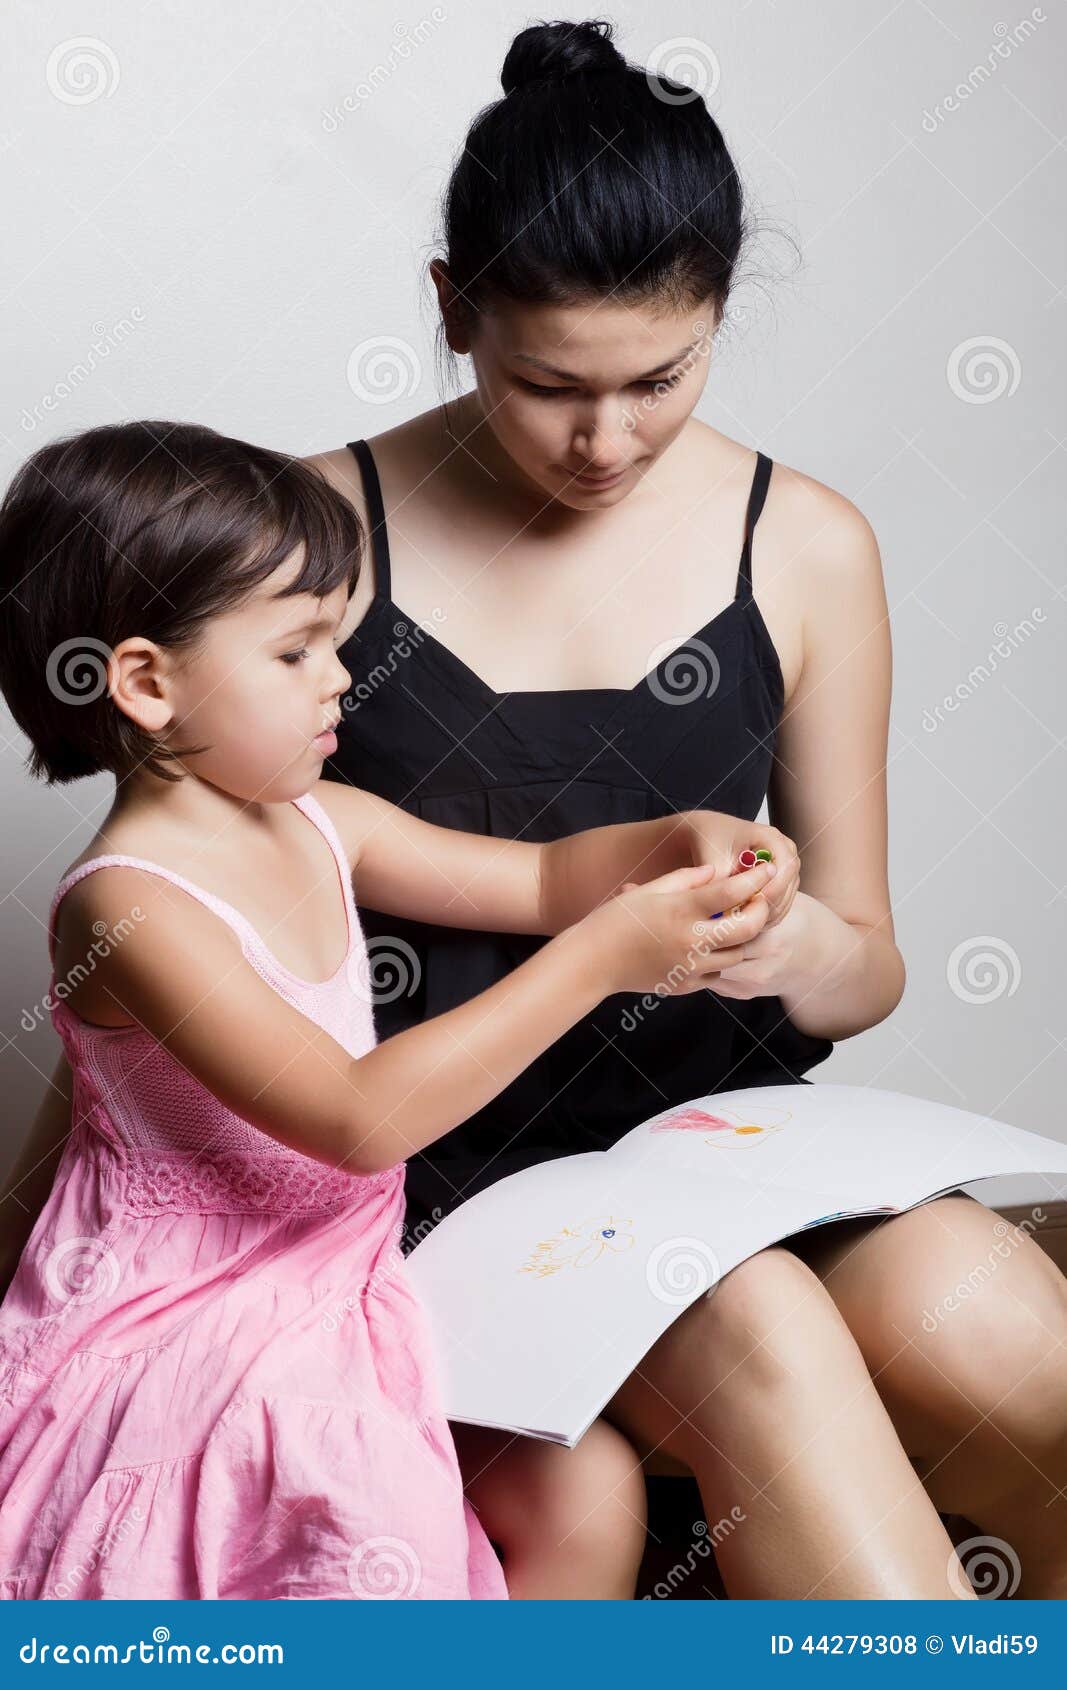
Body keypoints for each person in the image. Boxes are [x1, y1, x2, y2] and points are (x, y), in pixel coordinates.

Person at [302, 19, 1067, 1598]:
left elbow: (865, 963)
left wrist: (790, 940)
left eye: (660, 377)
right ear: (451, 311)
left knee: (1011, 1336)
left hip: (719, 1148)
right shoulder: (308, 531)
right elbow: (181, 897)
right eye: (545, 387)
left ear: (717, 311)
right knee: (753, 1320)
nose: (605, 442)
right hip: (422, 1172)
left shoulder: (805, 543)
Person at [0, 417, 782, 1598]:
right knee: (376, 1537)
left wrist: (681, 841)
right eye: (296, 651)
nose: (341, 677)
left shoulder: (327, 822)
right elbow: (355, 1118)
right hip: (198, 1311)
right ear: (148, 683)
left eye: (336, 638)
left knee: (586, 1495)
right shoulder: (131, 907)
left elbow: (541, 879)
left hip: (343, 1275)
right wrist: (601, 961)